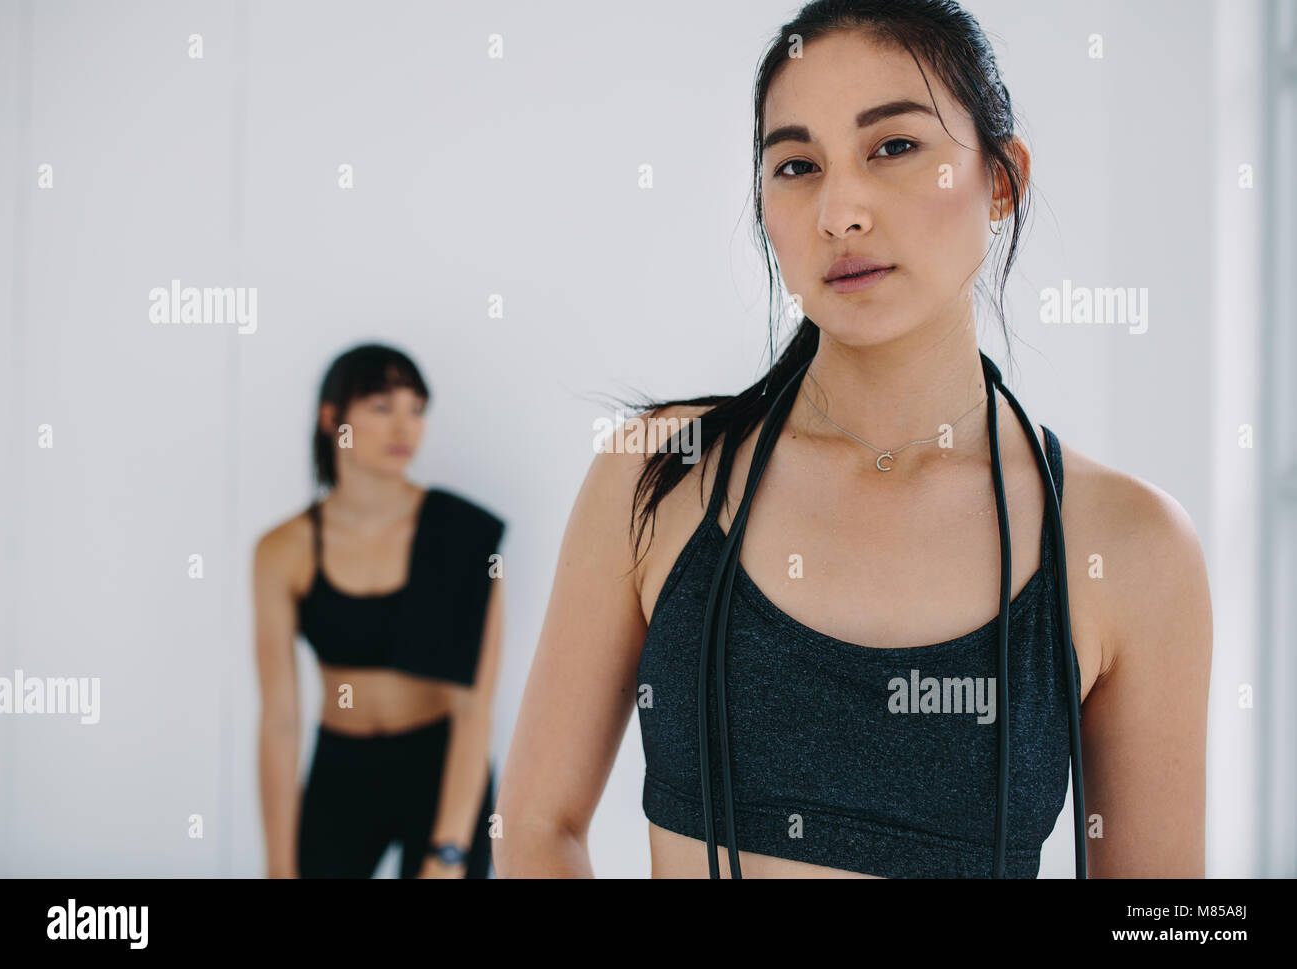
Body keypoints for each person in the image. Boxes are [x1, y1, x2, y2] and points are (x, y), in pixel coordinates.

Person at [496, 0, 1211, 877]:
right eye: (796, 165)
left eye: (894, 147)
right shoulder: (659, 473)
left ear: (1000, 180)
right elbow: (536, 825)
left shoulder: (1130, 544)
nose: (840, 211)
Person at [254, 343, 505, 878]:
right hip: (342, 769)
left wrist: (449, 852)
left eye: (416, 408)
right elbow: (279, 719)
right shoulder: (283, 550)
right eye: (381, 406)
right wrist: (279, 864)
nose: (403, 427)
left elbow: (474, 710)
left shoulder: (463, 534)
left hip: (441, 767)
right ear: (332, 419)